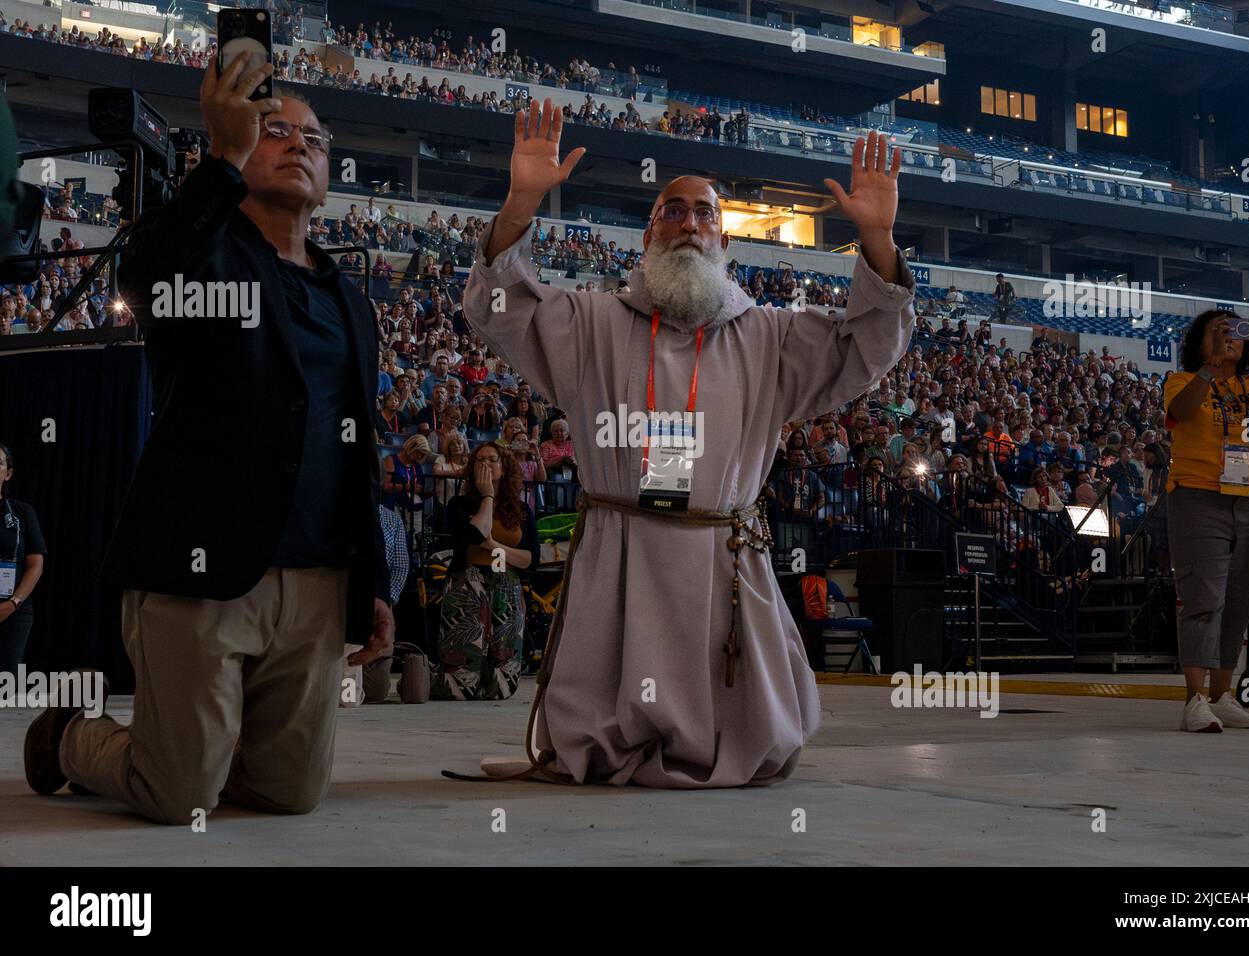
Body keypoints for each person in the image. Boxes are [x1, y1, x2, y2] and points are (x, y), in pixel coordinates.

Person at [461, 104, 914, 787]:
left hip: (720, 554)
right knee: (603, 728)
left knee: (745, 738)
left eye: (704, 214)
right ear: (649, 233)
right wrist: (522, 202)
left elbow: (867, 347)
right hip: (621, 549)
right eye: (672, 212)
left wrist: (876, 243)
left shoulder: (769, 335)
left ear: (723, 238)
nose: (689, 224)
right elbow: (496, 310)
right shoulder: (590, 323)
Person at [24, 60, 394, 822]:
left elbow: (357, 446)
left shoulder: (351, 299)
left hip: (318, 577)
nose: (297, 144)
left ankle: (200, 748)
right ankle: (73, 738)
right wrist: (220, 158)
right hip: (200, 565)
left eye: (314, 137)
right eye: (275, 129)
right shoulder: (204, 256)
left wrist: (374, 582)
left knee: (289, 794)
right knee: (178, 796)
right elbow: (145, 270)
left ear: (330, 174)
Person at [1164, 310, 1249, 733]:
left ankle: (1222, 696)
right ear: (1198, 343)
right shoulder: (1182, 380)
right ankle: (1195, 700)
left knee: (1241, 601)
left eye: (1238, 332)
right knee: (1203, 598)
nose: (1231, 339)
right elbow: (1182, 413)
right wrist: (1209, 368)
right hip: (1197, 495)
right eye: (1219, 332)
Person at [432, 444, 539, 700]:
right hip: (467, 583)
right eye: (479, 460)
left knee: (499, 686)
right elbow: (475, 534)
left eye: (493, 459)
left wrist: (494, 546)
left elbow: (529, 559)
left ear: (504, 466)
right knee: (461, 685)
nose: (486, 464)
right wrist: (488, 496)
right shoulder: (459, 504)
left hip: (506, 584)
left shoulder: (522, 510)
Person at [0, 443, 46, 676]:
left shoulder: (22, 512)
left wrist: (13, 603)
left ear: (8, 473)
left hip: (13, 610)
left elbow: (35, 564)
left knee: (4, 686)